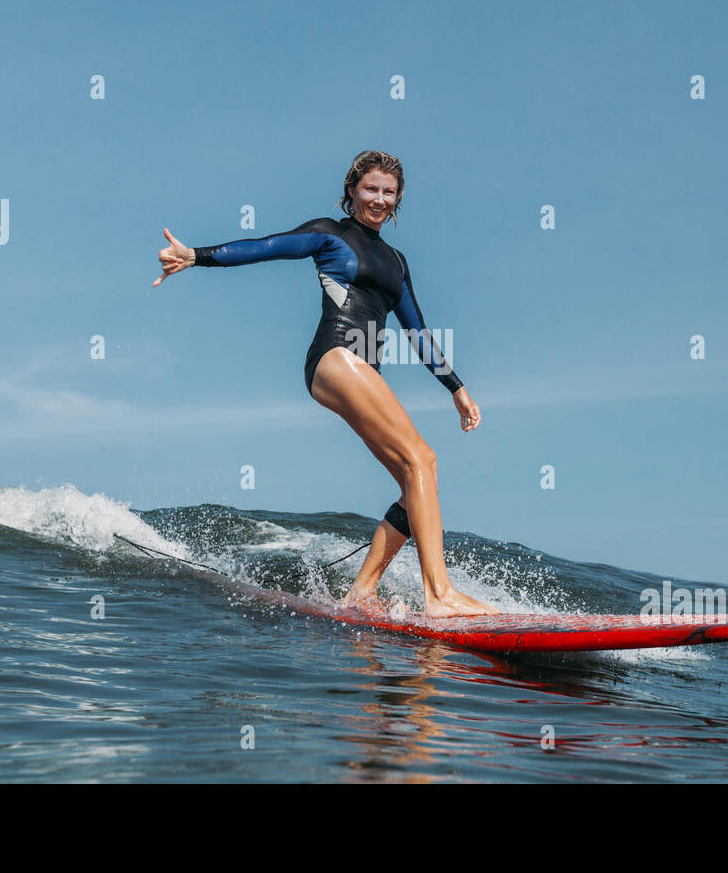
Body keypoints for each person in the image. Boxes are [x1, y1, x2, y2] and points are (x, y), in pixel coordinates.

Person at [152, 150, 497, 617]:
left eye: (388, 192)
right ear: (352, 190)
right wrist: (196, 256)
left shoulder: (396, 260)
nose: (379, 199)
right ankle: (439, 596)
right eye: (370, 188)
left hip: (363, 369)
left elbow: (416, 329)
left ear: (398, 200)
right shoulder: (330, 234)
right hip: (335, 357)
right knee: (423, 457)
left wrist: (456, 388)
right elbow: (265, 246)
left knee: (416, 484)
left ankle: (362, 592)